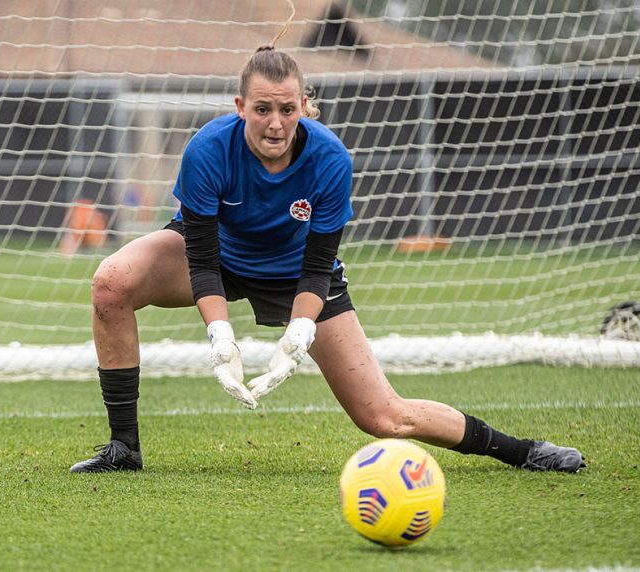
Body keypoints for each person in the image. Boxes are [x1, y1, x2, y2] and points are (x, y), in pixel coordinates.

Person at [70, 17, 585, 475]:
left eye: (287, 109)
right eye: (262, 109)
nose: (275, 122)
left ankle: (521, 451)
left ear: (304, 106)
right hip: (219, 259)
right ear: (239, 107)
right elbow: (202, 259)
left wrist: (298, 333)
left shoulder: (331, 160)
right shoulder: (207, 149)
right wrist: (220, 334)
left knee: (384, 416)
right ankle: (124, 447)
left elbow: (318, 267)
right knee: (111, 282)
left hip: (297, 274)